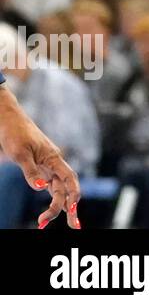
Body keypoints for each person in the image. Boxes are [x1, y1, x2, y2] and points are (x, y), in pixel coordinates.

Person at [0, 24, 88, 229]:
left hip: (68, 163)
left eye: (4, 71)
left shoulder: (56, 83)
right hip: (26, 160)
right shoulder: (18, 84)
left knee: (8, 173)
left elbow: (63, 144)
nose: (6, 77)